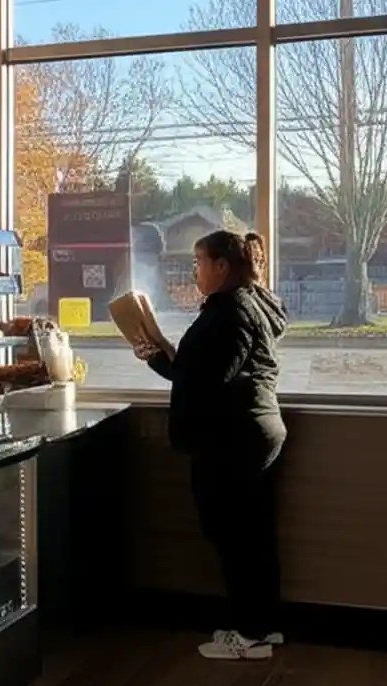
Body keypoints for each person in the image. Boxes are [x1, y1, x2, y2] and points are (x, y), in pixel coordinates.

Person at [134, 230, 288, 661]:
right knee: (253, 535)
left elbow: (204, 382)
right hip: (255, 429)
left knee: (233, 536)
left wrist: (162, 358)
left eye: (199, 261)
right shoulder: (252, 302)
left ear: (222, 266)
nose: (194, 270)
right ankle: (263, 626)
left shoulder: (228, 313)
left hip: (230, 438)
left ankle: (248, 634)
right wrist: (161, 355)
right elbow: (203, 373)